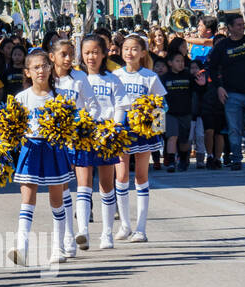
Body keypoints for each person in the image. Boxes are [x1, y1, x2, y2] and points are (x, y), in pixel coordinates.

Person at [8, 49, 75, 266]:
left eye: (45, 66)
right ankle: (22, 246)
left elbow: (69, 126)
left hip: (54, 149)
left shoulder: (59, 97)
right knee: (27, 198)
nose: (41, 70)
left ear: (50, 69)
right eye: (36, 67)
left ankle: (58, 247)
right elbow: (11, 129)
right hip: (30, 148)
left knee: (56, 199)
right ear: (27, 72)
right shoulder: (21, 98)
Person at [114, 34, 167, 242]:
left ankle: (141, 229)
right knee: (121, 176)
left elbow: (161, 106)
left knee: (142, 177)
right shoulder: (116, 75)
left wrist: (154, 128)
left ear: (143, 52)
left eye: (135, 49)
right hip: (122, 128)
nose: (130, 53)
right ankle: (125, 225)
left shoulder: (150, 77)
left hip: (143, 131)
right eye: (126, 48)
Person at [50, 39, 96, 259]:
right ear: (53, 57)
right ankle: (68, 236)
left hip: (79, 135)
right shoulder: (47, 79)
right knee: (63, 187)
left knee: (85, 181)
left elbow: (93, 104)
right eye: (63, 55)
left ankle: (83, 231)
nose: (68, 59)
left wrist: (86, 122)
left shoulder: (80, 77)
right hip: (58, 139)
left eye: (71, 55)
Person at [79, 35, 124, 248]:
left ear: (104, 54)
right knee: (83, 184)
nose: (91, 57)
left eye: (95, 52)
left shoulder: (113, 79)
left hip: (106, 132)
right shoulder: (76, 79)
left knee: (106, 185)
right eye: (87, 52)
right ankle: (83, 232)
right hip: (83, 134)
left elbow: (120, 106)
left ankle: (107, 233)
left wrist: (115, 127)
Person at [207, 13, 245, 169]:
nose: (242, 27)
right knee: (234, 129)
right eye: (239, 25)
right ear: (230, 27)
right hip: (231, 94)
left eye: (243, 24)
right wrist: (219, 87)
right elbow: (212, 68)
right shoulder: (222, 46)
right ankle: (236, 159)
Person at [160, 50, 196, 173]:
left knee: (184, 140)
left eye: (182, 61)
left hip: (185, 112)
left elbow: (197, 90)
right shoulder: (164, 78)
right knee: (172, 136)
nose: (181, 64)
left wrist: (201, 85)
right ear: (170, 63)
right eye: (177, 61)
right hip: (170, 113)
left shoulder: (188, 76)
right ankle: (171, 162)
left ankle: (183, 159)